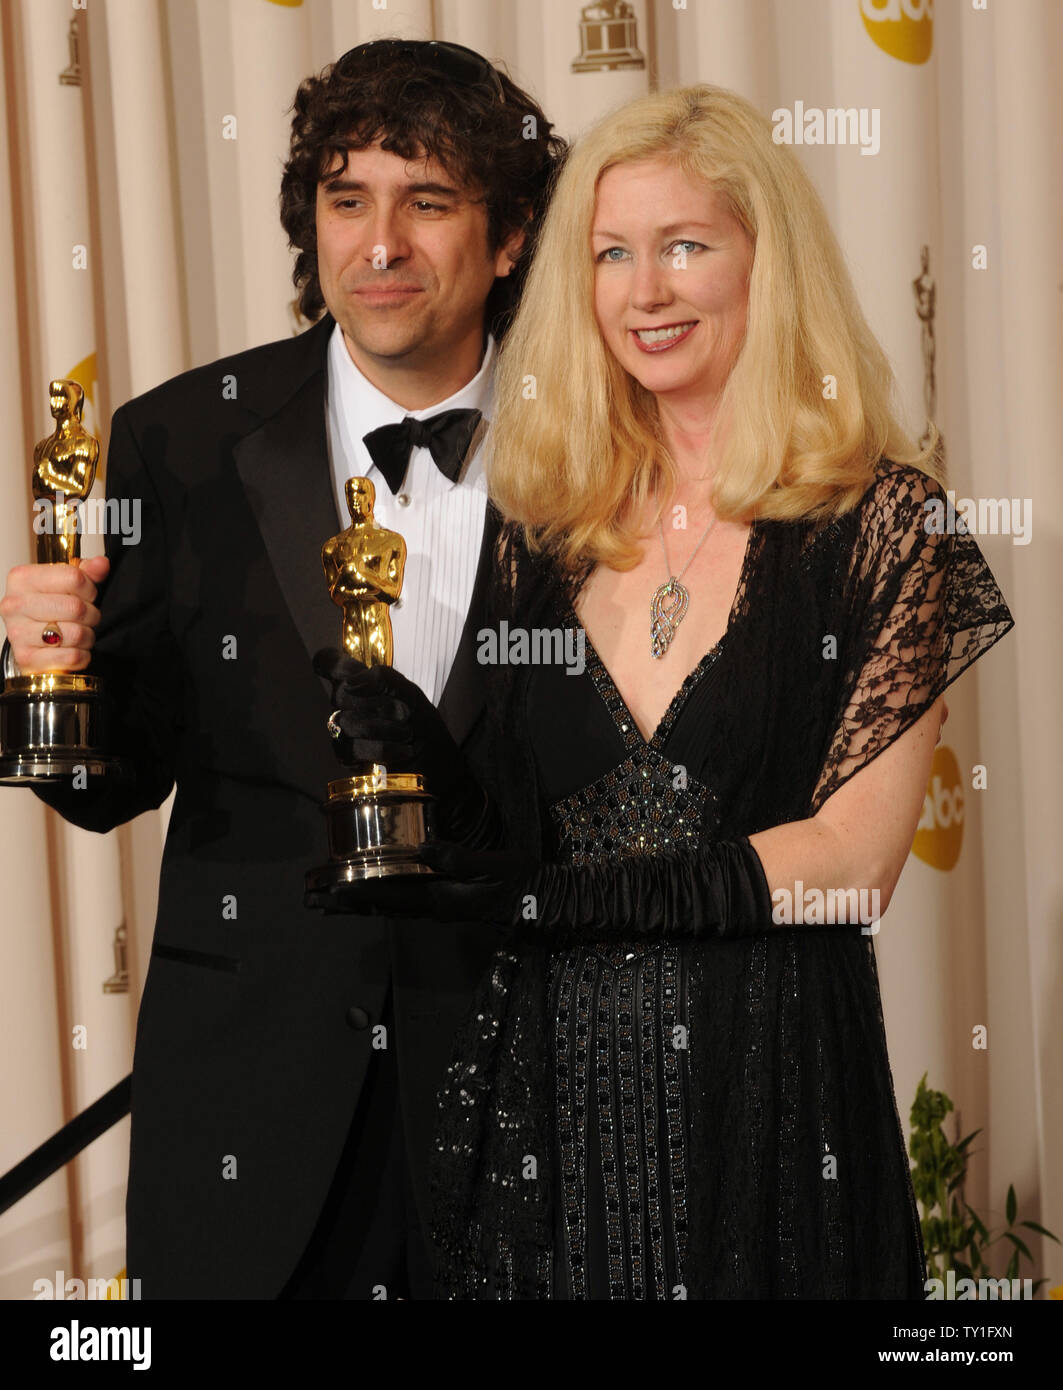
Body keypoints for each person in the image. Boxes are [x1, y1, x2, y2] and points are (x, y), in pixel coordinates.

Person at [326, 84, 1015, 1299]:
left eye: (685, 247)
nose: (644, 292)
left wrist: (560, 898)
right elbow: (516, 852)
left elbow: (853, 866)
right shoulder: (542, 528)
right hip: (550, 1108)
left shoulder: (883, 525)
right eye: (610, 255)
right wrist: (431, 773)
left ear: (768, 265)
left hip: (772, 1091)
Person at [0, 39, 563, 1298]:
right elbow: (111, 778)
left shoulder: (601, 445)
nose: (381, 245)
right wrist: (49, 671)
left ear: (512, 234)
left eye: (429, 201)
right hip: (251, 1098)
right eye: (347, 199)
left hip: (528, 1090)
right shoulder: (178, 440)